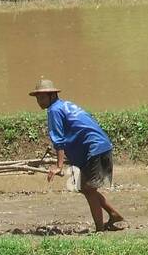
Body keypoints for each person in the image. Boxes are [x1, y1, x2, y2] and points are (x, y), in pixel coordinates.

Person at [29, 77, 125, 232]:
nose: (39, 101)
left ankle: (99, 230)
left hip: (94, 148)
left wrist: (59, 166)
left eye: (42, 97)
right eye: (37, 98)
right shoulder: (64, 105)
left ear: (52, 96)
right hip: (98, 146)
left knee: (89, 189)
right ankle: (113, 214)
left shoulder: (54, 110)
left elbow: (59, 139)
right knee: (84, 187)